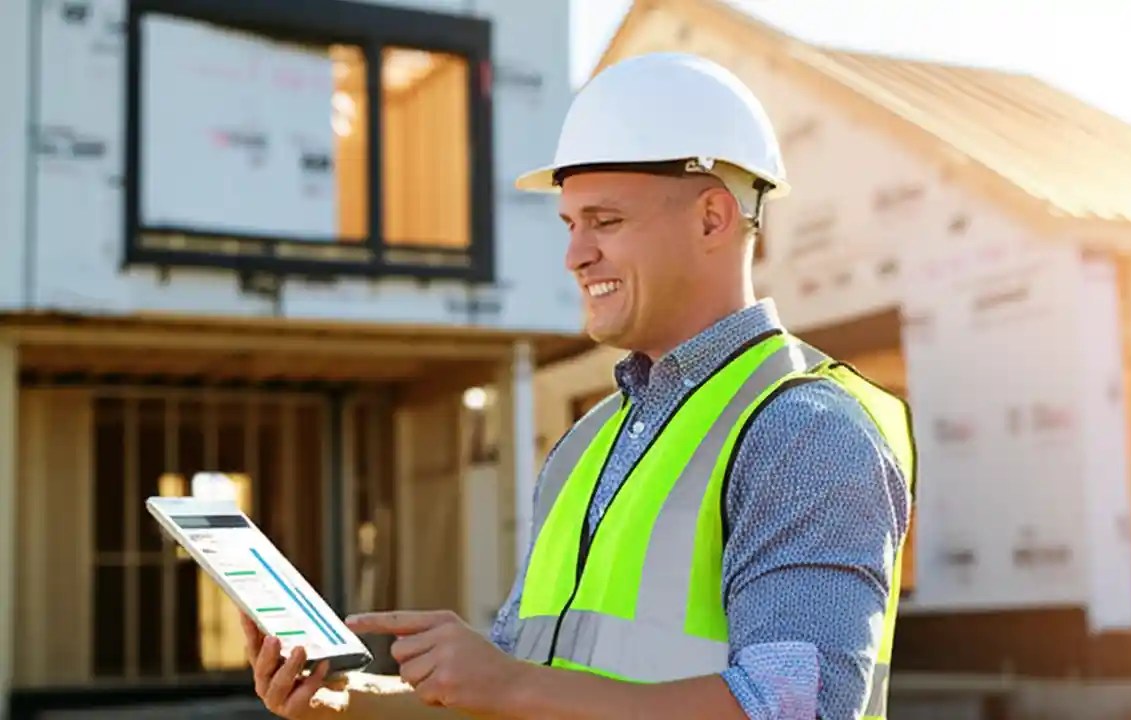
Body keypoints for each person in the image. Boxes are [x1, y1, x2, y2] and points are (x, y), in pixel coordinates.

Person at [240, 51, 915, 720]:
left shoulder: (804, 431)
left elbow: (796, 710)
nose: (575, 255)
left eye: (606, 221)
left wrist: (506, 683)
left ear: (712, 218)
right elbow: (515, 696)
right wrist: (345, 700)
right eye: (570, 224)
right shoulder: (586, 444)